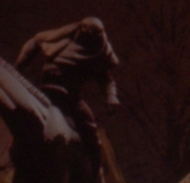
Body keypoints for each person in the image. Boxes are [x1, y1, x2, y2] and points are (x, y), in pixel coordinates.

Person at [15, 18, 120, 172]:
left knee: (90, 127)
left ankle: (96, 174)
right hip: (46, 92)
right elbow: (35, 42)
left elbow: (106, 80)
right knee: (21, 116)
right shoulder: (60, 40)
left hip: (71, 98)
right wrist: (18, 67)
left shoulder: (95, 53)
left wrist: (111, 96)